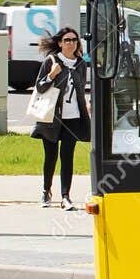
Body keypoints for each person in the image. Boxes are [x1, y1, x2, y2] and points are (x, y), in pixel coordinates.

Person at [32, 28, 90, 209]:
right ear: (60, 43)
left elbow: (81, 90)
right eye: (67, 40)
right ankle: (46, 190)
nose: (71, 43)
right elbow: (39, 87)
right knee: (50, 156)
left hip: (73, 117)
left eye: (74, 40)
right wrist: (51, 75)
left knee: (67, 156)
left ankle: (66, 196)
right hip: (52, 117)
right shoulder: (51, 61)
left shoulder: (81, 64)